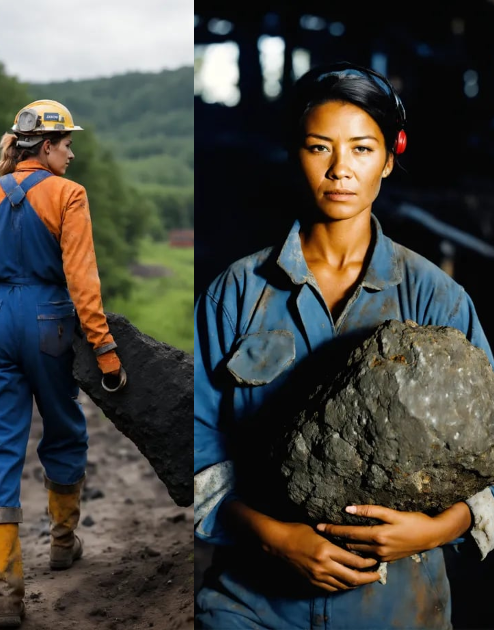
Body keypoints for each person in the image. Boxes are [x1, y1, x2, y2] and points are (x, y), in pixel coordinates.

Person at [194, 61, 494, 628]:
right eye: (318, 148)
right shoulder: (235, 293)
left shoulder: (437, 299)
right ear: (294, 153)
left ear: (388, 156)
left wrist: (437, 529)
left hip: (399, 610)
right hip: (251, 607)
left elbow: (492, 461)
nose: (339, 170)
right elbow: (195, 448)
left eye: (361, 149)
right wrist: (273, 537)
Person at [0, 99, 125, 629]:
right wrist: (105, 350)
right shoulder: (68, 195)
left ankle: (5, 595)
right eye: (67, 144)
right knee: (63, 427)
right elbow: (82, 280)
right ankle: (61, 542)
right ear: (47, 147)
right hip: (48, 321)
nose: (71, 153)